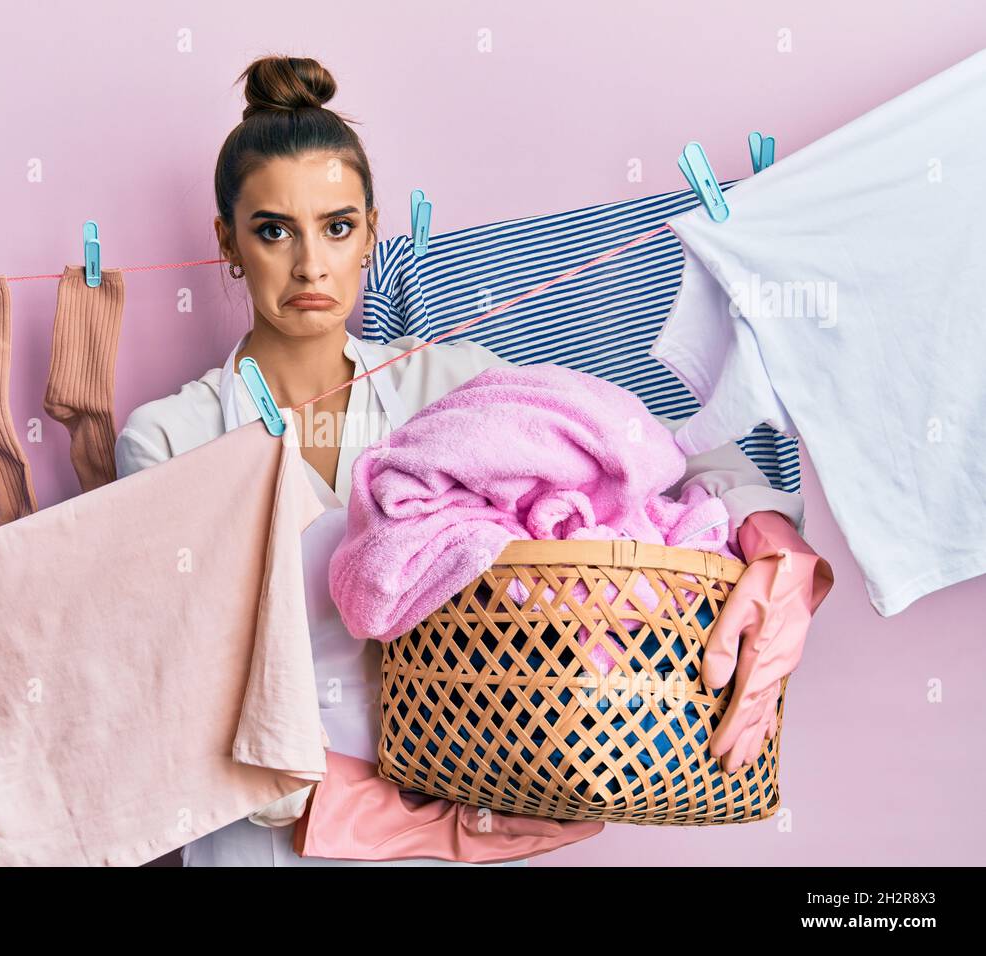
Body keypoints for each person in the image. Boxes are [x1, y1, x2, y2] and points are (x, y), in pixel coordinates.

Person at [116, 55, 808, 867]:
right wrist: (399, 818)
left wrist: (772, 541)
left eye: (337, 227)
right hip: (268, 846)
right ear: (226, 240)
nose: (310, 265)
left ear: (373, 234)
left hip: (466, 833)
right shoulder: (168, 441)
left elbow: (660, 453)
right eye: (274, 230)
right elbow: (181, 705)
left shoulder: (452, 387)